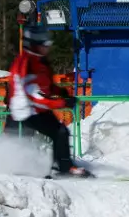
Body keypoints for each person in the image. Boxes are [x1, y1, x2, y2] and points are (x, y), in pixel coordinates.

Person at [7, 24, 90, 177]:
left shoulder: (41, 61)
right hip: (24, 110)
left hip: (37, 108)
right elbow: (34, 95)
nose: (48, 46)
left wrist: (62, 93)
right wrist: (61, 103)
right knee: (57, 132)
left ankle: (61, 166)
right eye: (44, 43)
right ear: (35, 45)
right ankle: (61, 167)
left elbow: (47, 87)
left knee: (61, 131)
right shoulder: (26, 63)